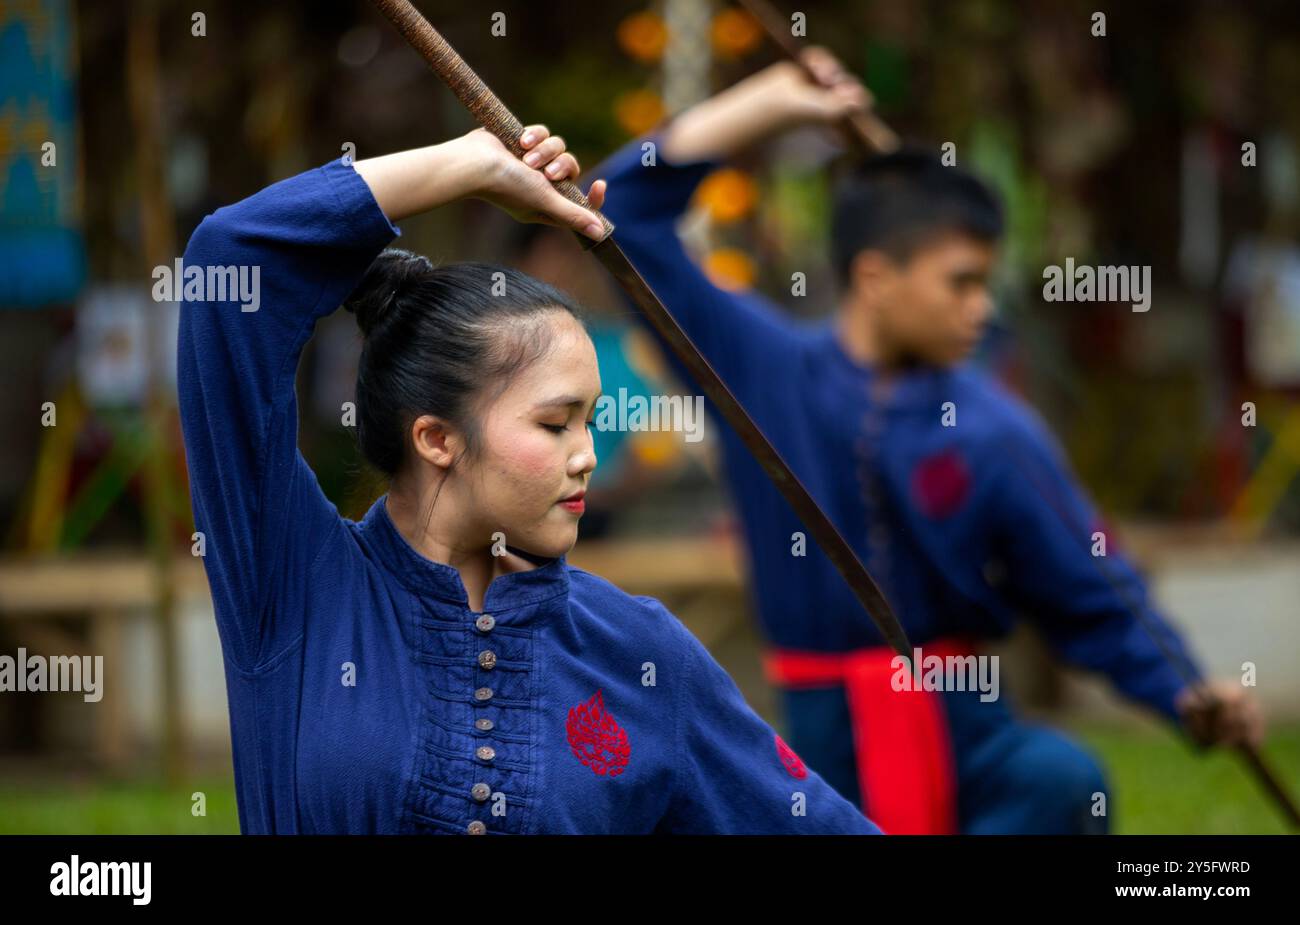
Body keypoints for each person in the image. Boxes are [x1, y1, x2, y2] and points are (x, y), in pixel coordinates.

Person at [591, 48, 1264, 834]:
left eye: (987, 281)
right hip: (808, 747)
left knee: (1065, 781)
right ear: (876, 276)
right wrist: (764, 104)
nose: (982, 307)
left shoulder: (993, 426)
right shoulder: (759, 367)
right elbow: (621, 213)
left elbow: (1092, 588)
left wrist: (1183, 690)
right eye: (961, 281)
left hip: (966, 729)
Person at [176, 124, 881, 834]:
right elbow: (230, 261)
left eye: (591, 421)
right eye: (555, 424)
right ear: (437, 437)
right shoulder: (295, 581)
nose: (588, 454)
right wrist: (465, 164)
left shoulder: (639, 652)